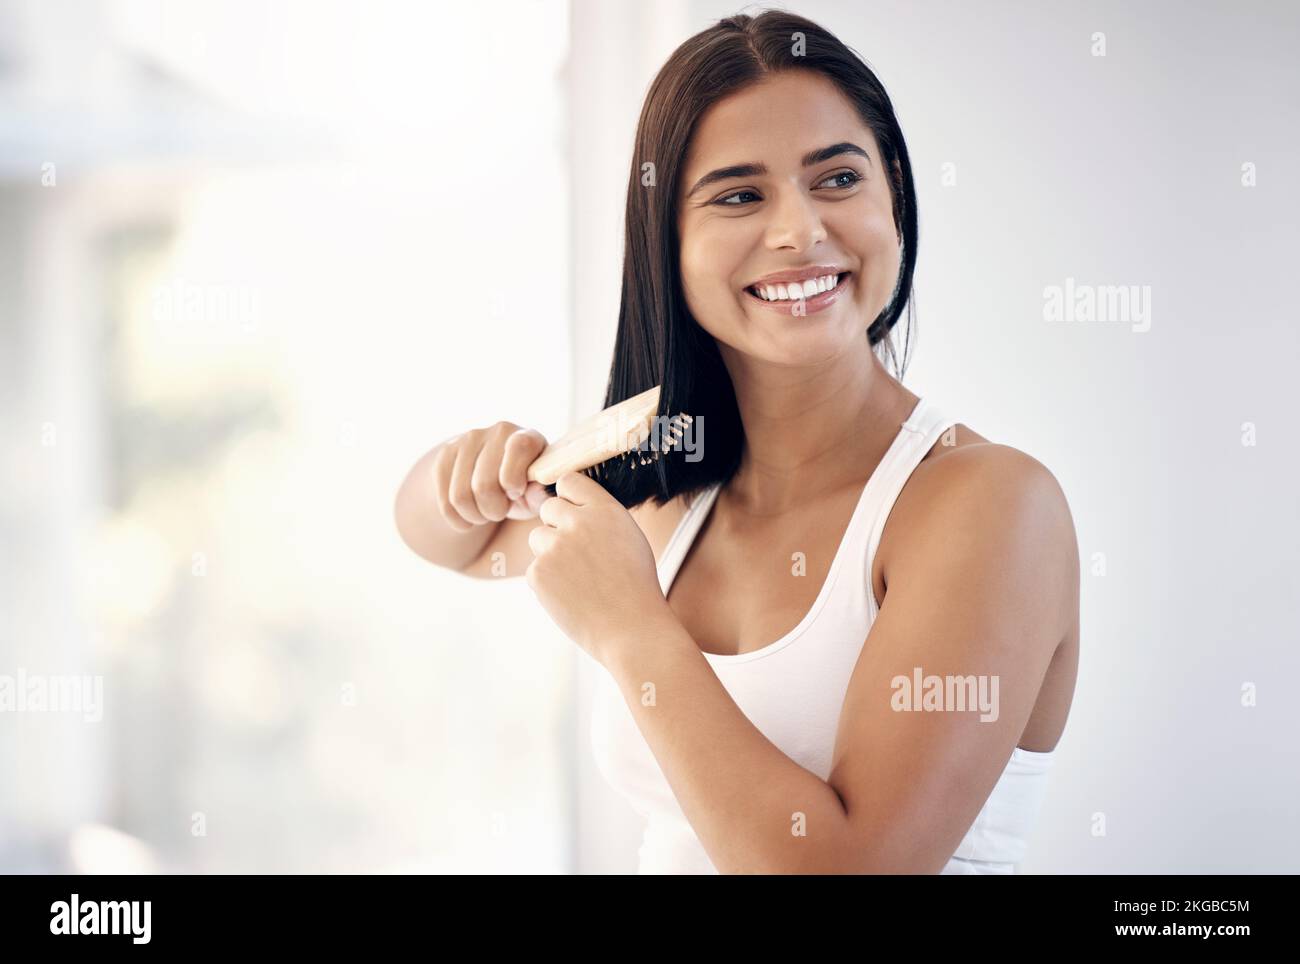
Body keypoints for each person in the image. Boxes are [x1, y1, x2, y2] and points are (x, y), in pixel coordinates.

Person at [394, 9, 1079, 874]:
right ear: (667, 242)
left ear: (893, 197)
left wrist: (631, 629)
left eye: (836, 179)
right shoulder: (667, 486)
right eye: (740, 194)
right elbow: (460, 543)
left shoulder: (988, 505)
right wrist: (455, 478)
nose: (799, 230)